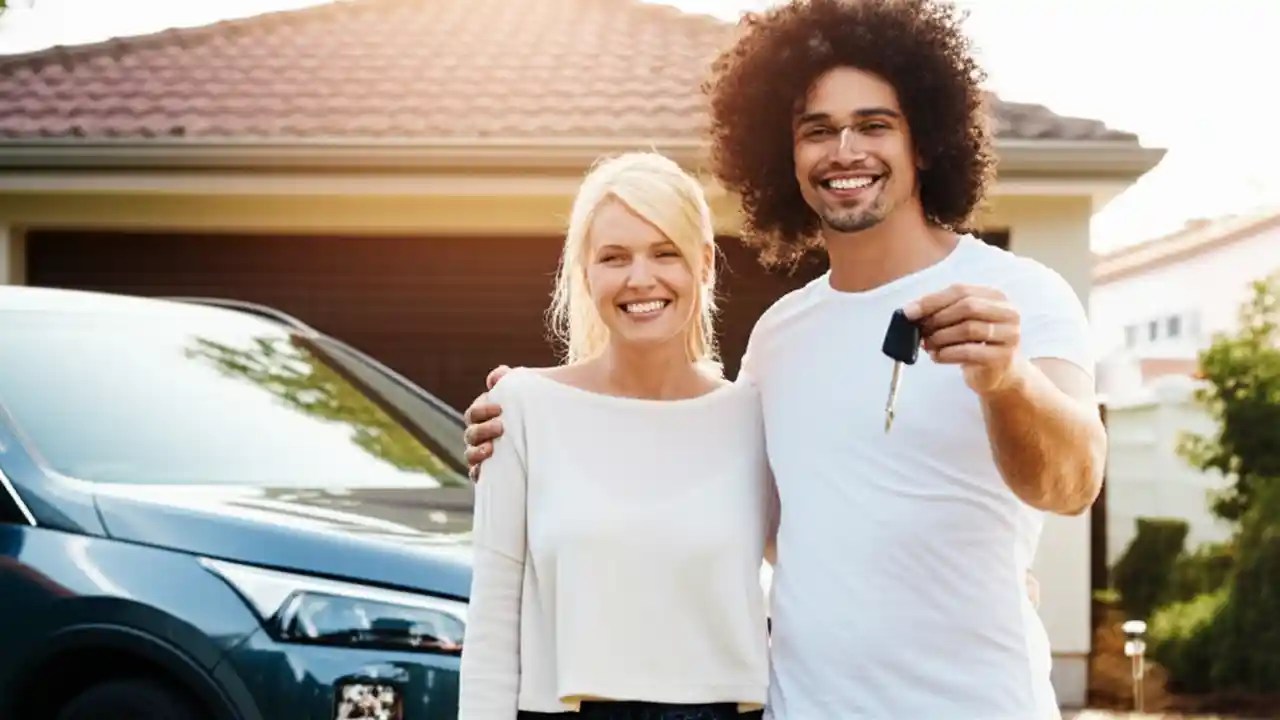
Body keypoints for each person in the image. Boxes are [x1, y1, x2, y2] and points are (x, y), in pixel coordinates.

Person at [463, 0, 1106, 717]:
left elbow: (1073, 482)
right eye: (817, 131)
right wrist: (538, 418)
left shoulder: (1022, 295)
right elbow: (766, 521)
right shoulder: (778, 338)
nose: (845, 151)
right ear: (786, 155)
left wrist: (1006, 380)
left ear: (925, 141)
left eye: (874, 125)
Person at [457, 151, 776, 720]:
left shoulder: (755, 415)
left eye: (664, 253)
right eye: (614, 257)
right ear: (585, 271)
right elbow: (492, 625)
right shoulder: (522, 407)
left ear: (704, 264)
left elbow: (818, 569)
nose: (640, 279)